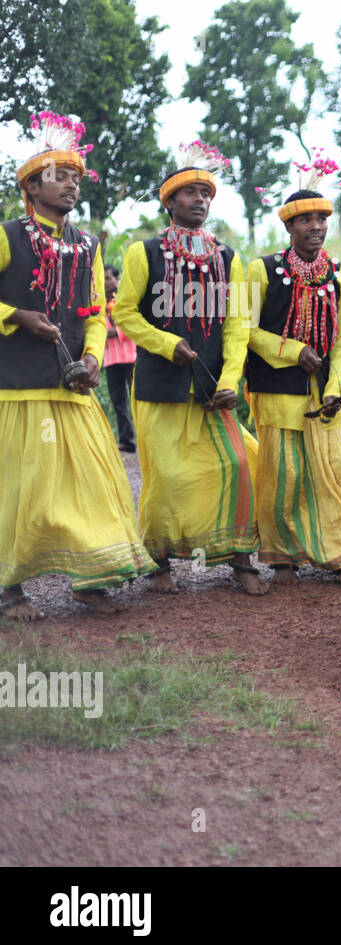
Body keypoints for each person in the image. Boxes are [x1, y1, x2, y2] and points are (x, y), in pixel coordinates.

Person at [0, 111, 155, 619]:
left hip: (74, 388)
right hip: (17, 390)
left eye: (75, 178)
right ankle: (10, 587)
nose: (71, 185)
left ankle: (93, 576)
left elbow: (94, 311)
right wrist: (18, 315)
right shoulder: (8, 236)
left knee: (92, 480)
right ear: (32, 186)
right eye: (59, 176)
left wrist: (92, 356)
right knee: (20, 492)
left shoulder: (87, 245)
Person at [111, 141, 266, 596]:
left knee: (235, 465)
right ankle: (158, 560)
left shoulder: (229, 257)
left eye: (206, 193)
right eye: (190, 192)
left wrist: (232, 380)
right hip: (160, 385)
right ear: (170, 202)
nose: (200, 199)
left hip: (214, 385)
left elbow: (239, 325)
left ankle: (240, 557)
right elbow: (124, 313)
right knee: (166, 476)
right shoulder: (145, 253)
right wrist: (165, 342)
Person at [244, 154, 341, 585]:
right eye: (306, 220)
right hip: (276, 389)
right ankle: (283, 557)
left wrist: (338, 385)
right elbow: (243, 329)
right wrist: (292, 350)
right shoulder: (259, 270)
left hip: (326, 394)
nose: (316, 227)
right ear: (288, 227)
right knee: (285, 476)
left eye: (322, 218)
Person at [101, 264, 137, 453]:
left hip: (130, 356)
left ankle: (147, 440)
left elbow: (134, 321)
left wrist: (116, 332)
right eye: (103, 278)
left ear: (116, 279)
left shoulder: (124, 298)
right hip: (110, 359)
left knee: (138, 399)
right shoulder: (97, 299)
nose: (106, 282)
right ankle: (127, 441)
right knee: (118, 401)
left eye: (108, 278)